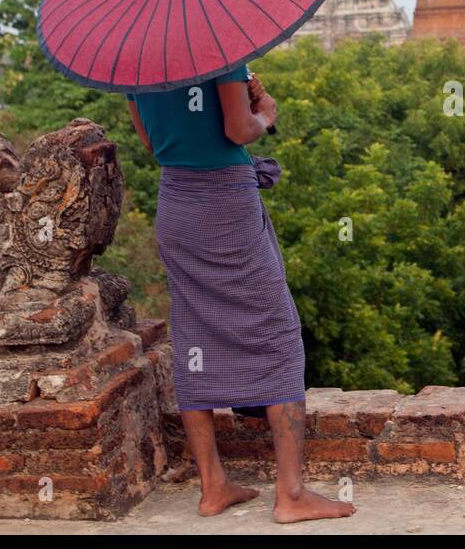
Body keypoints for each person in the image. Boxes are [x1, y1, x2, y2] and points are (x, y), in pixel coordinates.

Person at [126, 65, 355, 524]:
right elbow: (237, 130)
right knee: (277, 334)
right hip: (225, 205)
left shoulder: (137, 63)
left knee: (194, 337)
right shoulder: (217, 55)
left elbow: (151, 143)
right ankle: (290, 494)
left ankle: (213, 486)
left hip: (176, 207)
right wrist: (264, 113)